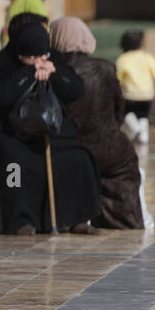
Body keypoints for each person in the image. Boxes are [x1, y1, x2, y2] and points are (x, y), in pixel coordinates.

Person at [0, 19, 102, 235]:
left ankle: (76, 218)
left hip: (46, 131)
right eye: (33, 58)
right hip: (6, 132)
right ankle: (19, 221)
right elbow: (0, 97)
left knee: (78, 157)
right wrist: (28, 73)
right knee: (16, 165)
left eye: (43, 57)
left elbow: (75, 90)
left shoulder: (51, 58)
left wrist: (54, 73)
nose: (39, 61)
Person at [49, 17, 144, 229]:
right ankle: (128, 221)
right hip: (112, 147)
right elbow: (119, 110)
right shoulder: (106, 68)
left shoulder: (54, 72)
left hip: (74, 148)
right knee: (125, 168)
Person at [116, 29, 155, 145]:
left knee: (125, 112)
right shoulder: (147, 57)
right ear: (141, 44)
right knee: (143, 115)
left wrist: (115, 89)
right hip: (147, 95)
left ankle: (136, 129)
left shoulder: (122, 60)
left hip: (131, 95)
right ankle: (144, 137)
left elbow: (118, 78)